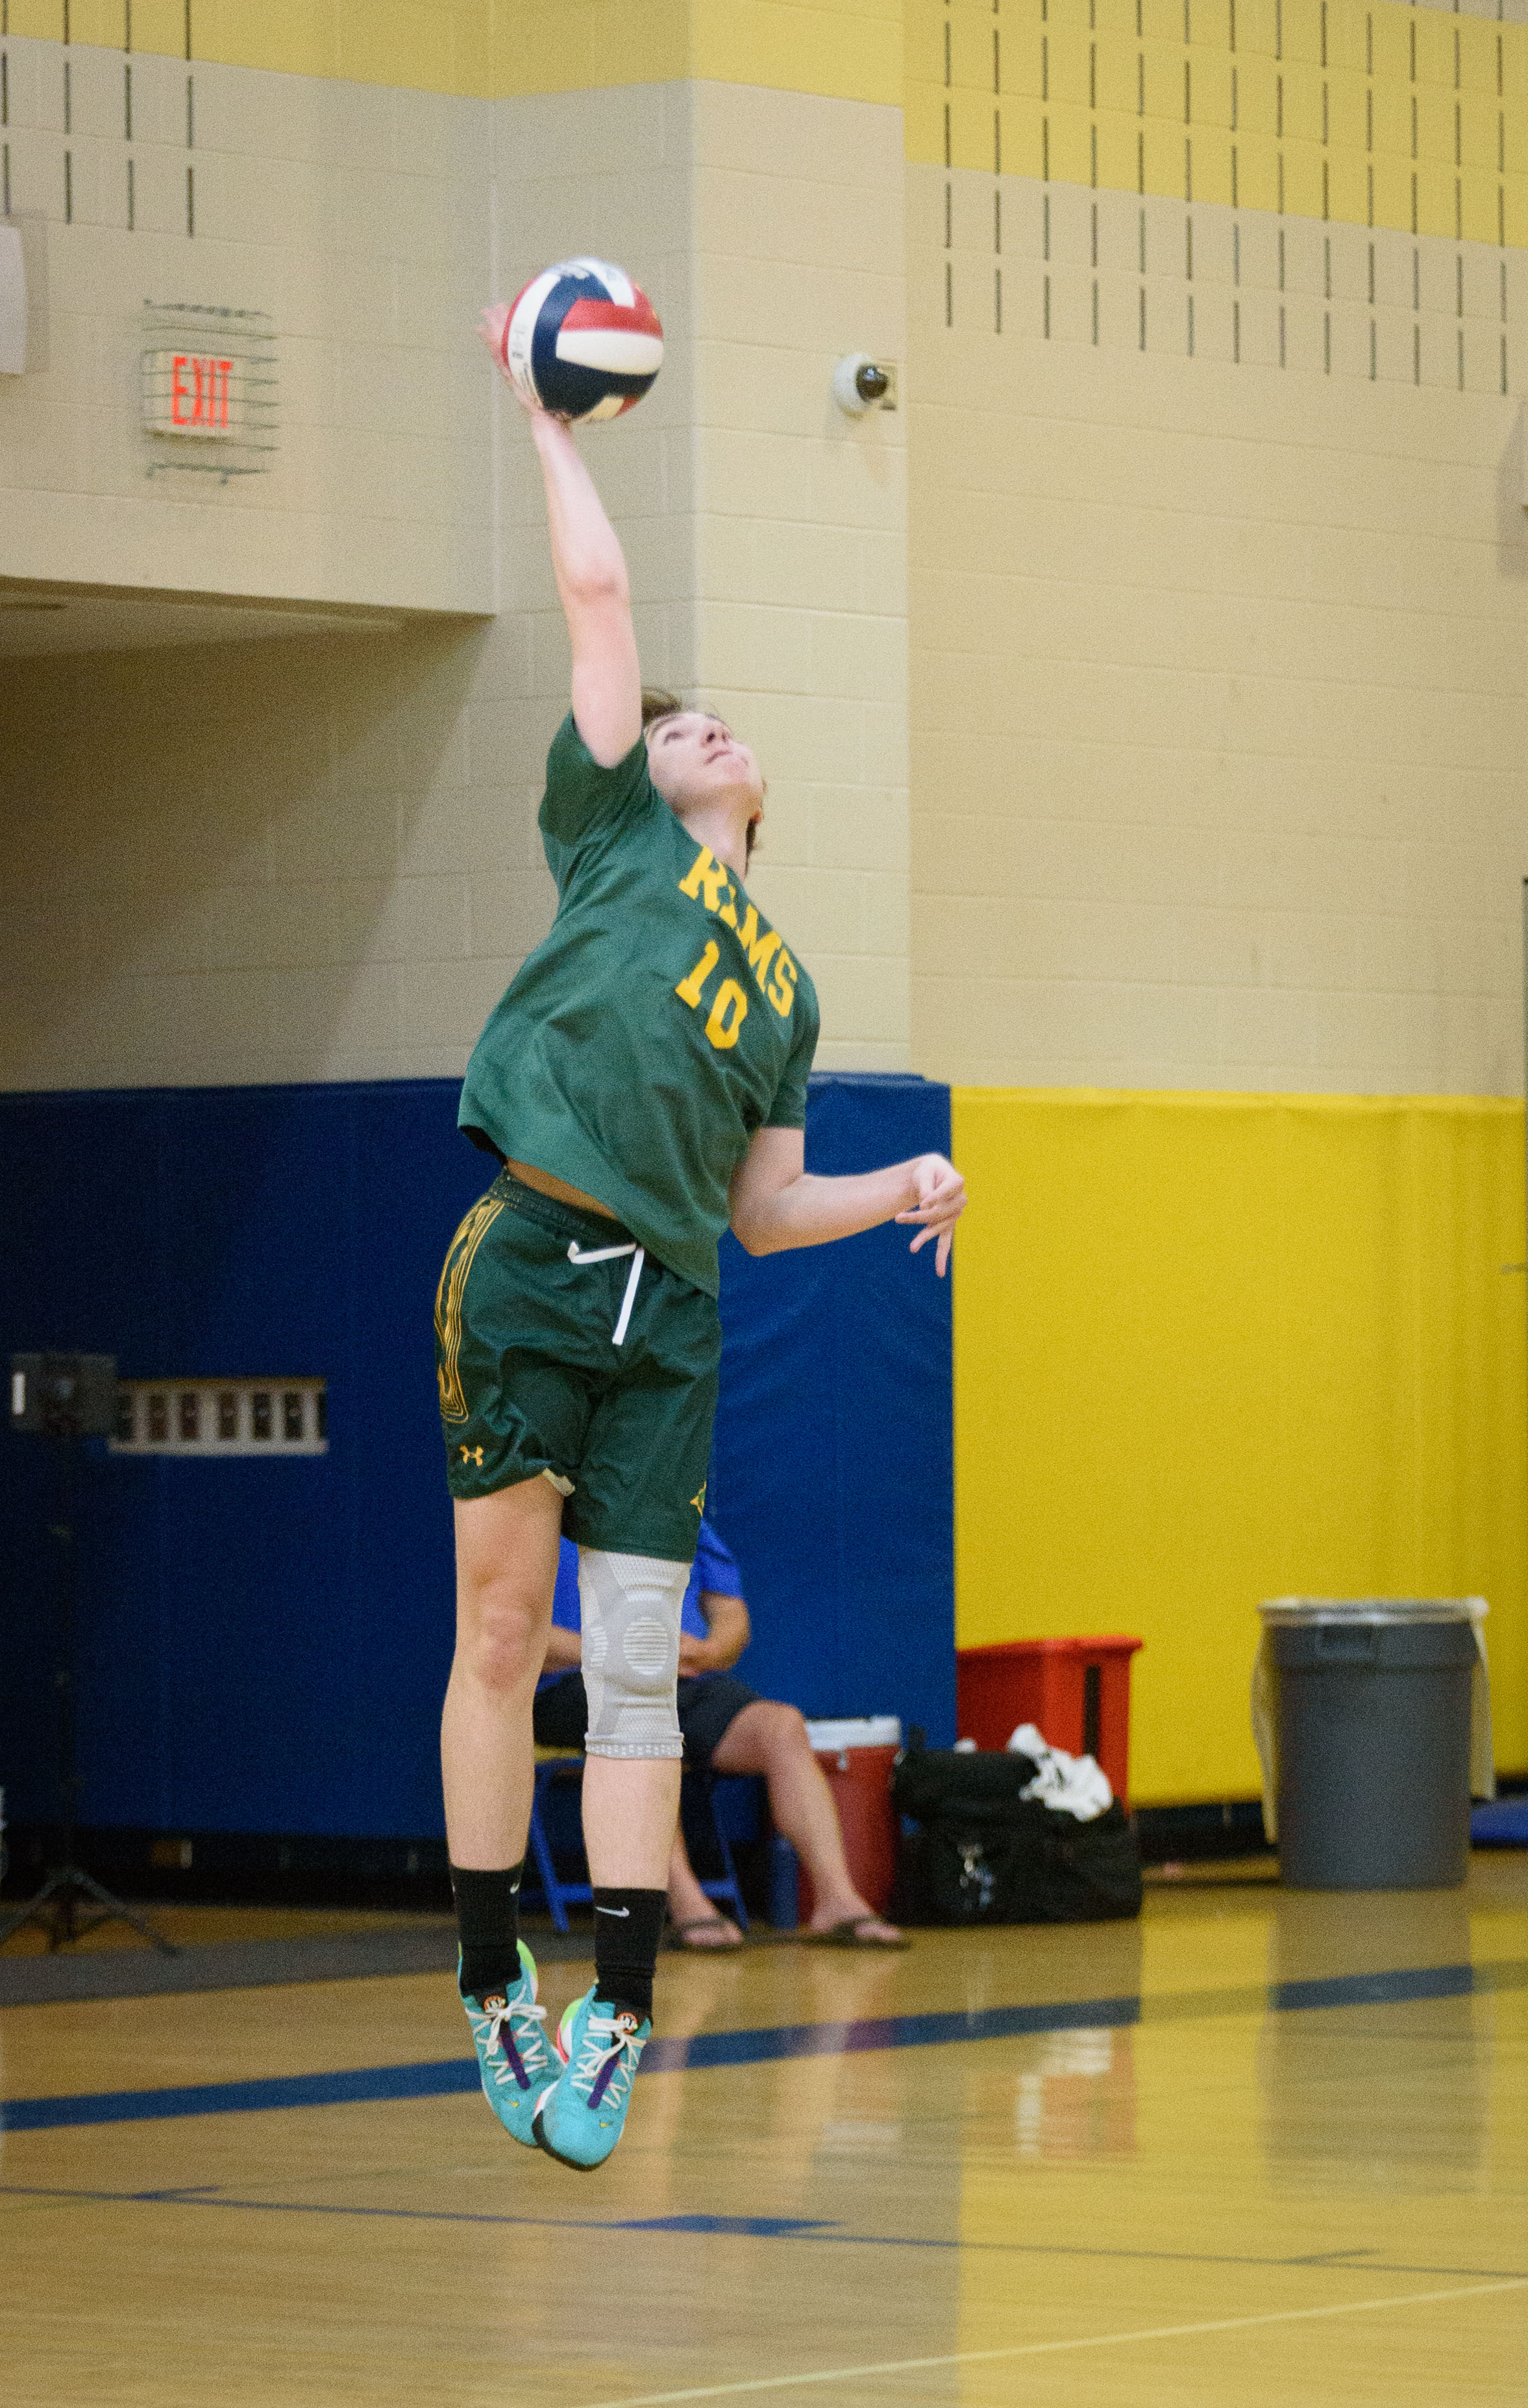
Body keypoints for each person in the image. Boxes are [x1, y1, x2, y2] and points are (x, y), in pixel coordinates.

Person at [436, 302, 967, 2174]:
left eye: (715, 725)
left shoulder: (788, 985)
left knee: (643, 1667)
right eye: (676, 719)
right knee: (506, 1622)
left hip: (674, 1303)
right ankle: (490, 1961)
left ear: (756, 797)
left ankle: (620, 2009)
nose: (694, 719)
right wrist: (548, 416)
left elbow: (761, 1202)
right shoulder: (608, 835)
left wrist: (895, 1188)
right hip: (530, 1249)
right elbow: (597, 608)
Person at [535, 1519, 907, 1948]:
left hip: (681, 1680)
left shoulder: (674, 1508)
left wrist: (709, 1651)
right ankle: (685, 1903)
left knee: (781, 1726)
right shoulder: (541, 1514)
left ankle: (836, 1902)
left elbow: (732, 1617)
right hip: (571, 1683)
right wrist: (617, 1653)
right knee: (647, 1723)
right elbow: (516, 1630)